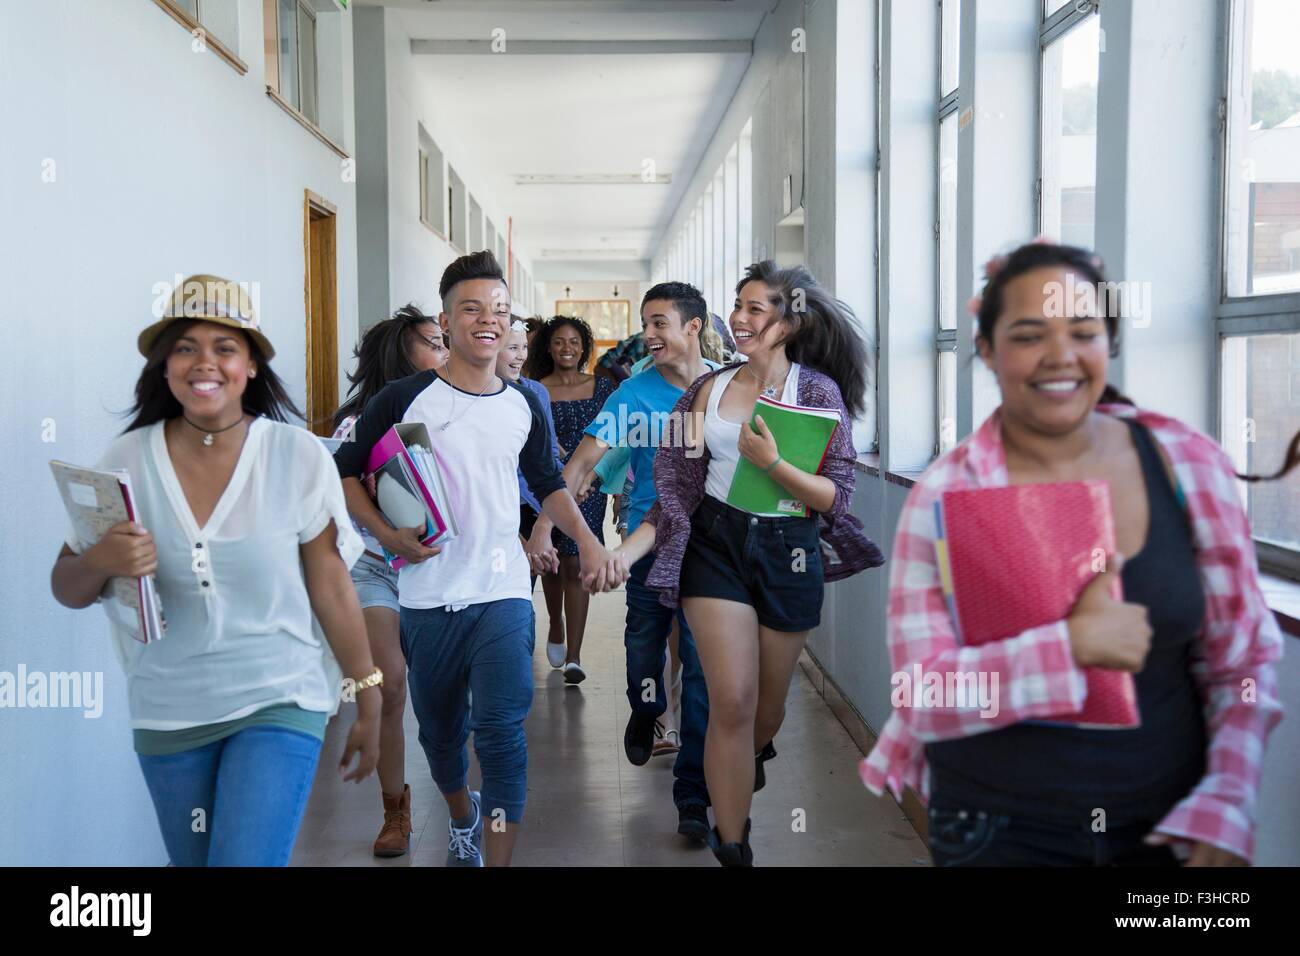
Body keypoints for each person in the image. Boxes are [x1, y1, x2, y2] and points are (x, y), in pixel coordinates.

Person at [858, 240, 1289, 867]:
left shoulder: (1185, 464)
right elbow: (922, 697)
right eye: (1029, 334)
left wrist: (1228, 795)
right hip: (996, 829)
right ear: (987, 349)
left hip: (1171, 822)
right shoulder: (948, 493)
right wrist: (1071, 649)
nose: (1060, 356)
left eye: (1083, 331)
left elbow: (1241, 662)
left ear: (1108, 342)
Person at [50, 275, 381, 866]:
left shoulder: (295, 455)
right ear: (165, 366)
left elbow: (330, 585)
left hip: (280, 695)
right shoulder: (126, 460)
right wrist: (104, 559)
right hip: (168, 706)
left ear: (251, 365)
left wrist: (368, 694)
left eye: (225, 348)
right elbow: (67, 587)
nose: (205, 363)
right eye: (185, 348)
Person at [334, 252, 626, 867]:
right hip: (425, 596)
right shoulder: (402, 399)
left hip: (502, 592)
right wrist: (387, 535)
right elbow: (346, 475)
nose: (488, 320)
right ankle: (461, 814)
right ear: (446, 321)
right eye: (473, 309)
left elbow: (548, 482)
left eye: (499, 309)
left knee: (499, 734)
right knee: (441, 741)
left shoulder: (524, 402)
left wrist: (590, 541)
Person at [607, 262, 884, 865]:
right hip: (716, 545)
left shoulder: (817, 394)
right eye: (738, 305)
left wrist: (773, 464)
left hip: (789, 551)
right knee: (730, 698)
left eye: (755, 308)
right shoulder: (704, 391)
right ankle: (733, 843)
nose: (739, 317)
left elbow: (837, 496)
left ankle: (753, 753)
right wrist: (625, 551)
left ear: (789, 322)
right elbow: (674, 491)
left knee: (766, 710)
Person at [561, 282, 720, 842]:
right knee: (642, 644)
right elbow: (583, 464)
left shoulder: (727, 388)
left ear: (693, 327)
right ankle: (645, 707)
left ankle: (692, 795)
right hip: (647, 540)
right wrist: (555, 530)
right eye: (645, 324)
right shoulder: (634, 395)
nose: (647, 335)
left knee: (700, 670)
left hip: (711, 550)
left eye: (659, 324)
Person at [330, 304, 447, 857]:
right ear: (404, 352)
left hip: (442, 565)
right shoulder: (355, 423)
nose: (445, 350)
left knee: (447, 691)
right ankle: (395, 810)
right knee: (390, 681)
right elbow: (341, 500)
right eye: (433, 342)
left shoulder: (454, 407)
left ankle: (459, 796)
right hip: (376, 565)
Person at [524, 316, 617, 684]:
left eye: (575, 342)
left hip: (589, 485)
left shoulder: (603, 386)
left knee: (577, 562)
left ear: (584, 347)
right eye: (559, 341)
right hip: (546, 484)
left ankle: (575, 654)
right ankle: (555, 624)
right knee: (553, 563)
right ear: (548, 346)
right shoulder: (534, 389)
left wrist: (592, 474)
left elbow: (615, 435)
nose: (567, 348)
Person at [495, 319, 562, 590]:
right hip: (494, 505)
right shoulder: (475, 393)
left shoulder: (536, 392)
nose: (521, 355)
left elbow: (549, 453)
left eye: (524, 347)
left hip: (529, 504)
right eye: (512, 347)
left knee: (521, 588)